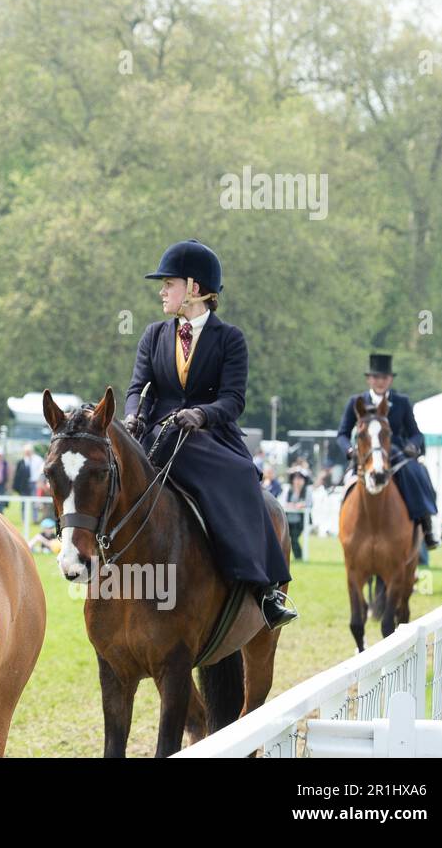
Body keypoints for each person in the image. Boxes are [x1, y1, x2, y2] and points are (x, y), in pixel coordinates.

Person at [122, 239, 297, 630]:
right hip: (156, 431)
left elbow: (234, 400)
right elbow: (137, 389)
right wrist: (133, 416)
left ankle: (265, 588)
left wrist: (200, 414)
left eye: (169, 283)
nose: (162, 291)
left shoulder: (229, 338)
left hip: (208, 433)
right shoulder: (153, 335)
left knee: (240, 479)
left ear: (195, 289)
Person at [336, 353, 440, 549]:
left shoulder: (402, 402)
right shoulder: (356, 402)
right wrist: (350, 451)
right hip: (364, 456)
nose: (380, 382)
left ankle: (427, 525)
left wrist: (411, 446)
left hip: (396, 455)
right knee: (347, 483)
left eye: (384, 378)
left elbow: (416, 434)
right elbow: (341, 434)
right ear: (369, 379)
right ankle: (343, 527)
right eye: (376, 377)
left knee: (418, 473)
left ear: (390, 379)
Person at [278, 467, 311, 561]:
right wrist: (291, 505)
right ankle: (293, 557)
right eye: (296, 478)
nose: (297, 481)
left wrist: (302, 504)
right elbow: (282, 502)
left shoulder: (307, 490)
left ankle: (299, 557)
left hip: (300, 520)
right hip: (288, 519)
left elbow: (309, 503)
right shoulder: (288, 490)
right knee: (287, 539)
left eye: (300, 479)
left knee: (294, 539)